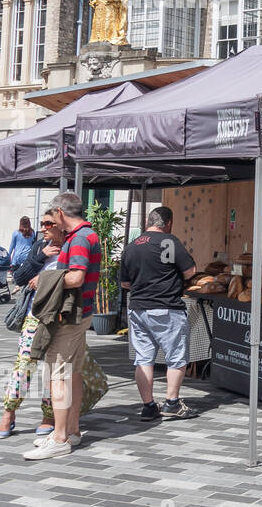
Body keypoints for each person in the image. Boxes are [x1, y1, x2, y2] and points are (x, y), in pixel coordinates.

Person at [23, 192, 100, 461]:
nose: (49, 223)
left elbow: (76, 277)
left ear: (60, 213)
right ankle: (71, 430)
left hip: (69, 317)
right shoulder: (88, 234)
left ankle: (59, 438)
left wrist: (45, 278)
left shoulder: (78, 238)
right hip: (83, 313)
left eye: (51, 217)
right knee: (73, 372)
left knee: (58, 375)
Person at [119, 207, 200, 421]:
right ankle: (172, 402)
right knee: (176, 357)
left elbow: (125, 283)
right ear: (169, 223)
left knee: (143, 358)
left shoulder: (131, 246)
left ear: (148, 222)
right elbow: (190, 271)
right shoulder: (169, 242)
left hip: (137, 308)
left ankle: (148, 406)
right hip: (167, 307)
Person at [0, 212, 62, 439]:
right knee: (24, 365)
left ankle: (49, 415)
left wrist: (44, 279)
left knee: (54, 368)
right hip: (34, 314)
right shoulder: (40, 246)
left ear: (61, 224)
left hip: (60, 317)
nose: (42, 227)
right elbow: (20, 277)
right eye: (41, 223)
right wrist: (40, 257)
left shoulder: (72, 247)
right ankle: (8, 413)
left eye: (48, 223)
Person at [7, 217, 36, 286]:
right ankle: (22, 286)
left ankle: (17, 285)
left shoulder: (16, 233)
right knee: (25, 272)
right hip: (28, 255)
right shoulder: (32, 232)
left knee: (14, 272)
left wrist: (9, 256)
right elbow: (33, 243)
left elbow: (12, 246)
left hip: (17, 256)